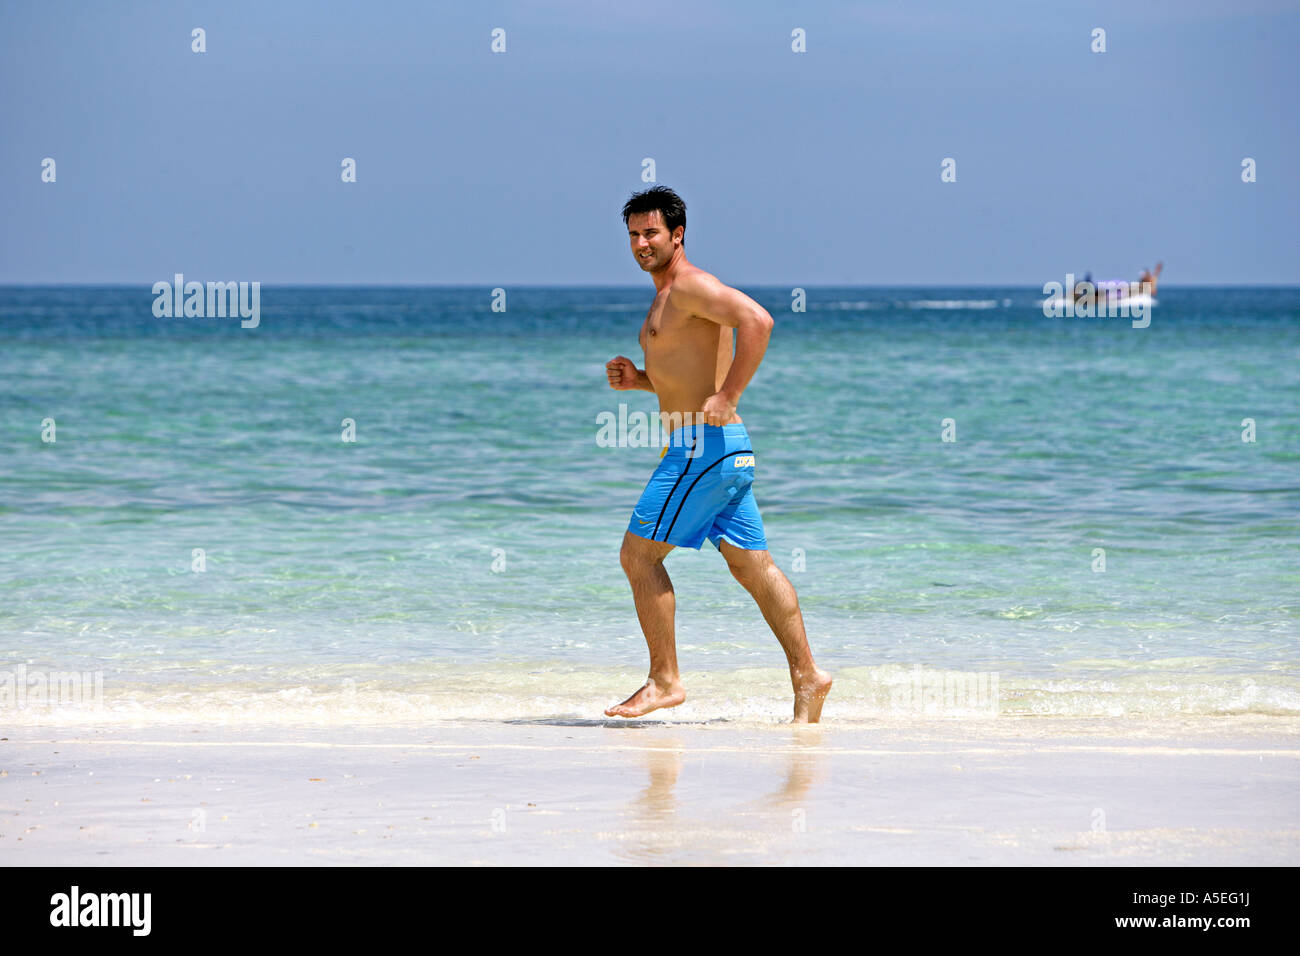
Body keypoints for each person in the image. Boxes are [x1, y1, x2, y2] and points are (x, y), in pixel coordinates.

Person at [603, 186, 833, 723]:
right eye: (633, 234)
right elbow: (687, 374)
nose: (641, 243)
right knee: (753, 566)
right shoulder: (667, 296)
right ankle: (808, 676)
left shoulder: (691, 286)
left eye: (651, 233)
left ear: (677, 234)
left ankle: (665, 680)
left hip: (700, 448)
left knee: (638, 557)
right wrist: (641, 380)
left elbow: (759, 321)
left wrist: (729, 395)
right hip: (726, 450)